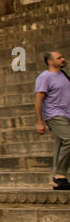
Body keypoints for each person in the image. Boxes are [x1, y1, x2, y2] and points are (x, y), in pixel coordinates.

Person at [35, 50, 70, 190]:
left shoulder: (63, 75)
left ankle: (58, 179)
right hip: (54, 114)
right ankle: (60, 175)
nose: (63, 59)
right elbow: (38, 100)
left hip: (67, 114)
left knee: (60, 145)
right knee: (69, 140)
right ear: (50, 62)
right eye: (59, 58)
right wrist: (39, 121)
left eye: (62, 57)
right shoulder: (44, 77)